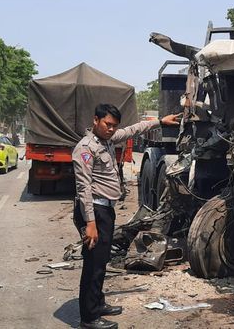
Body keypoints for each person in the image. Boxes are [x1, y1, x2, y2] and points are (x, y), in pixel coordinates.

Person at [72, 103, 179, 329]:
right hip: (94, 211)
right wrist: (90, 223)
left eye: (114, 126)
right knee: (93, 265)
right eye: (107, 124)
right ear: (95, 120)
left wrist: (160, 121)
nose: (111, 129)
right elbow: (84, 189)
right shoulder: (85, 148)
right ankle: (89, 318)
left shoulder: (107, 139)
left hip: (105, 210)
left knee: (101, 261)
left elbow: (133, 130)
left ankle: (98, 303)